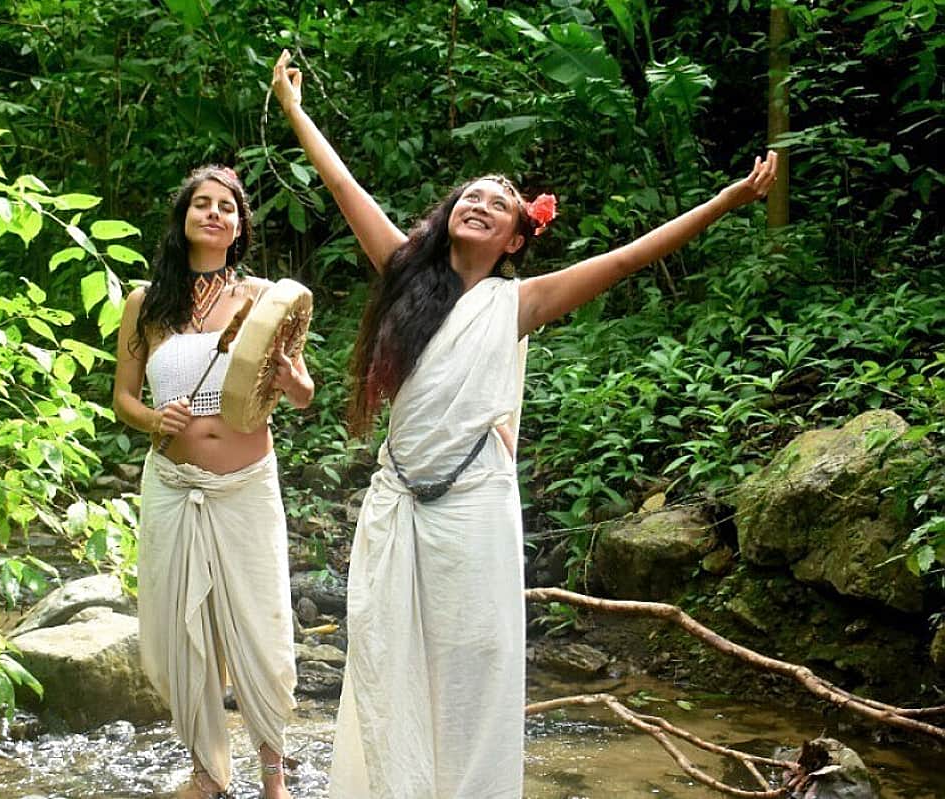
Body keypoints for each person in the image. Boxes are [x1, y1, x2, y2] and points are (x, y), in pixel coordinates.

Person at [271, 50, 777, 799]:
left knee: (475, 658)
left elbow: (630, 257)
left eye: (499, 202)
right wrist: (294, 110)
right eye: (469, 196)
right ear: (448, 220)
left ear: (514, 237)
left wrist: (728, 200)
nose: (479, 202)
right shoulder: (406, 274)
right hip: (396, 502)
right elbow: (344, 185)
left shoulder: (518, 302)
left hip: (474, 501)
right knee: (385, 655)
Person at [112, 164, 314, 799]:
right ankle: (206, 772)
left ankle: (273, 771)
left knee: (259, 621)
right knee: (185, 627)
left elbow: (303, 393)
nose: (214, 214)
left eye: (227, 207)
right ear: (184, 218)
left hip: (246, 483)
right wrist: (152, 417)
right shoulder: (146, 303)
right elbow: (122, 398)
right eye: (202, 204)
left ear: (239, 226)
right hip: (172, 483)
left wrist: (289, 379)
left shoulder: (264, 298)